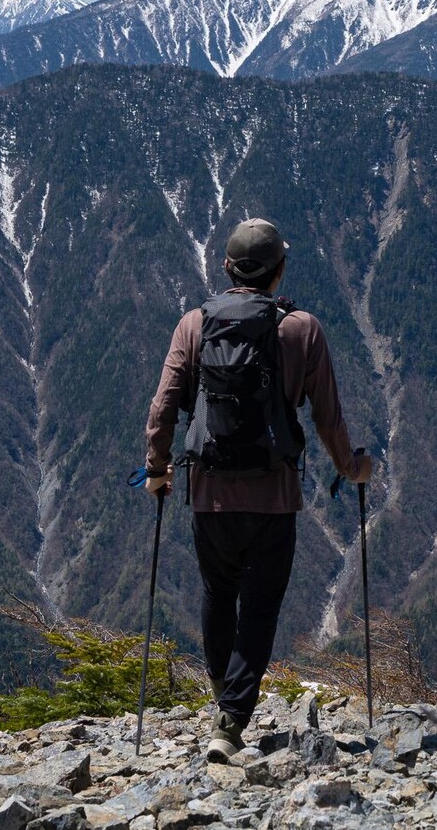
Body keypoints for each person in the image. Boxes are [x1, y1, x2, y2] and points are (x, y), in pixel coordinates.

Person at [145, 217, 371, 761]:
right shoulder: (302, 330)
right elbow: (328, 418)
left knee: (218, 594)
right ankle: (230, 721)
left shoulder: (194, 325)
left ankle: (222, 693)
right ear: (279, 270)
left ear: (227, 267)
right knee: (261, 608)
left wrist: (157, 468)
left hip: (210, 493)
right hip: (275, 496)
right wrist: (352, 467)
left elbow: (163, 406)